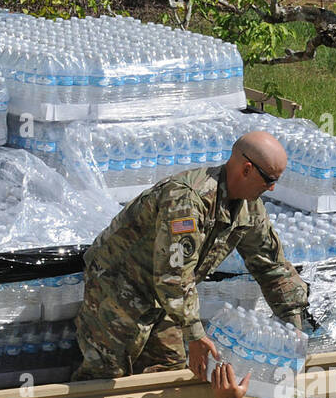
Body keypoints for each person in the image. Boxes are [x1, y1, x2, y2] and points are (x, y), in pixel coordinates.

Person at [76, 131, 309, 381]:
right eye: (269, 179)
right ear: (247, 169)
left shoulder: (249, 206)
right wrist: (195, 334)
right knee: (107, 374)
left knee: (169, 371)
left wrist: (292, 326)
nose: (272, 188)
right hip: (118, 286)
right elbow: (173, 275)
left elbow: (271, 266)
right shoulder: (187, 199)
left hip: (165, 297)